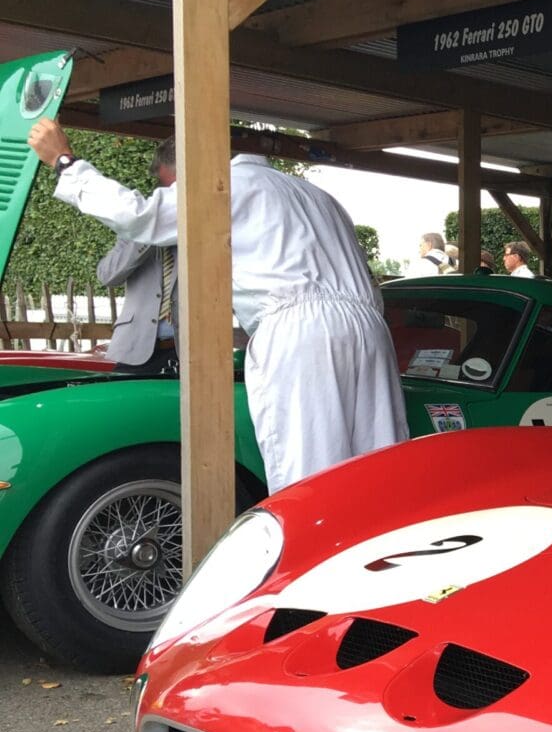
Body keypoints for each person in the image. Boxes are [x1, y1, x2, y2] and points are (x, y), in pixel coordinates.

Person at [29, 118, 407, 495]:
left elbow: (138, 217)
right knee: (376, 468)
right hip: (369, 330)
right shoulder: (319, 197)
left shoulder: (227, 184)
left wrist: (66, 163)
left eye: (171, 186)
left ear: (194, 165)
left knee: (309, 473)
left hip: (301, 332)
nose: (173, 193)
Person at [96, 137, 181, 375]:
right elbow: (107, 275)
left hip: (190, 350)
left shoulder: (203, 223)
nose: (164, 192)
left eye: (170, 185)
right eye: (162, 184)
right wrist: (148, 233)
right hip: (134, 351)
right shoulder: (138, 223)